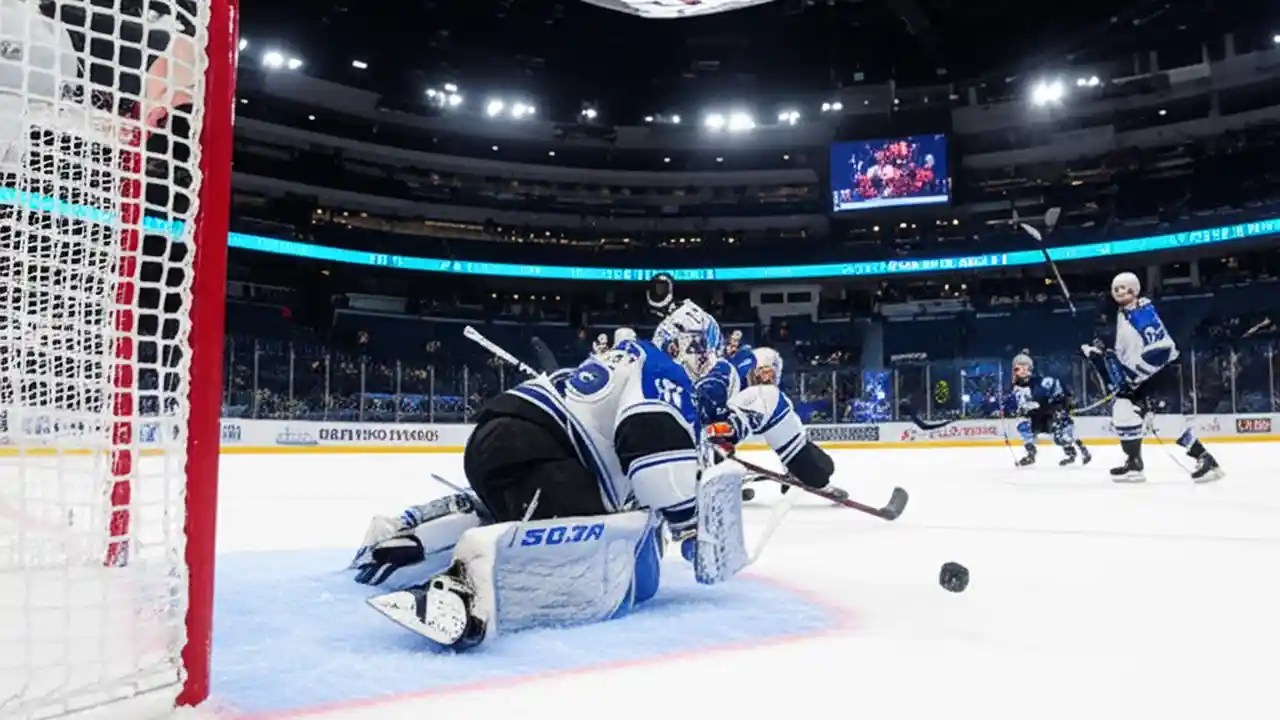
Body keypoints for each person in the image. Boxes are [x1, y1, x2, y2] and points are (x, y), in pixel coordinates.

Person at [349, 300, 737, 649]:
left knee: (515, 510)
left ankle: (412, 538)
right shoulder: (663, 369)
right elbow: (652, 448)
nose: (703, 367)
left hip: (502, 436)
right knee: (590, 536)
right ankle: (460, 591)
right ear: (684, 345)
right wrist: (689, 525)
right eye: (703, 355)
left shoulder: (623, 358)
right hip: (543, 448)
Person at [1082, 272, 1224, 483]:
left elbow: (1162, 350)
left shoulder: (1142, 312)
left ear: (1135, 290)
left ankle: (1205, 459)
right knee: (1121, 411)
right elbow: (1119, 348)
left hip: (1157, 375)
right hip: (1136, 379)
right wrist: (1098, 350)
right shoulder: (1121, 314)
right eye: (1116, 288)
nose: (1119, 291)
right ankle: (1134, 463)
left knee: (1163, 421)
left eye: (1124, 287)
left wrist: (1135, 375)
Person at [695, 344, 841, 500]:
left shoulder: (740, 384)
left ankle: (714, 469)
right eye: (765, 373)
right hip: (691, 448)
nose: (767, 380)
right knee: (818, 470)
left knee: (824, 467)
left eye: (771, 376)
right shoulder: (743, 385)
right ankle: (710, 473)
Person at [1006, 353, 1091, 467]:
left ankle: (1081, 451)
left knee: (1061, 434)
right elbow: (1017, 404)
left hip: (1051, 411)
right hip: (1036, 416)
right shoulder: (1015, 387)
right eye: (1017, 368)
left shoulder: (1041, 382)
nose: (1021, 371)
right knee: (1023, 425)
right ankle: (1031, 453)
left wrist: (1061, 404)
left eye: (1025, 368)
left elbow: (1048, 396)